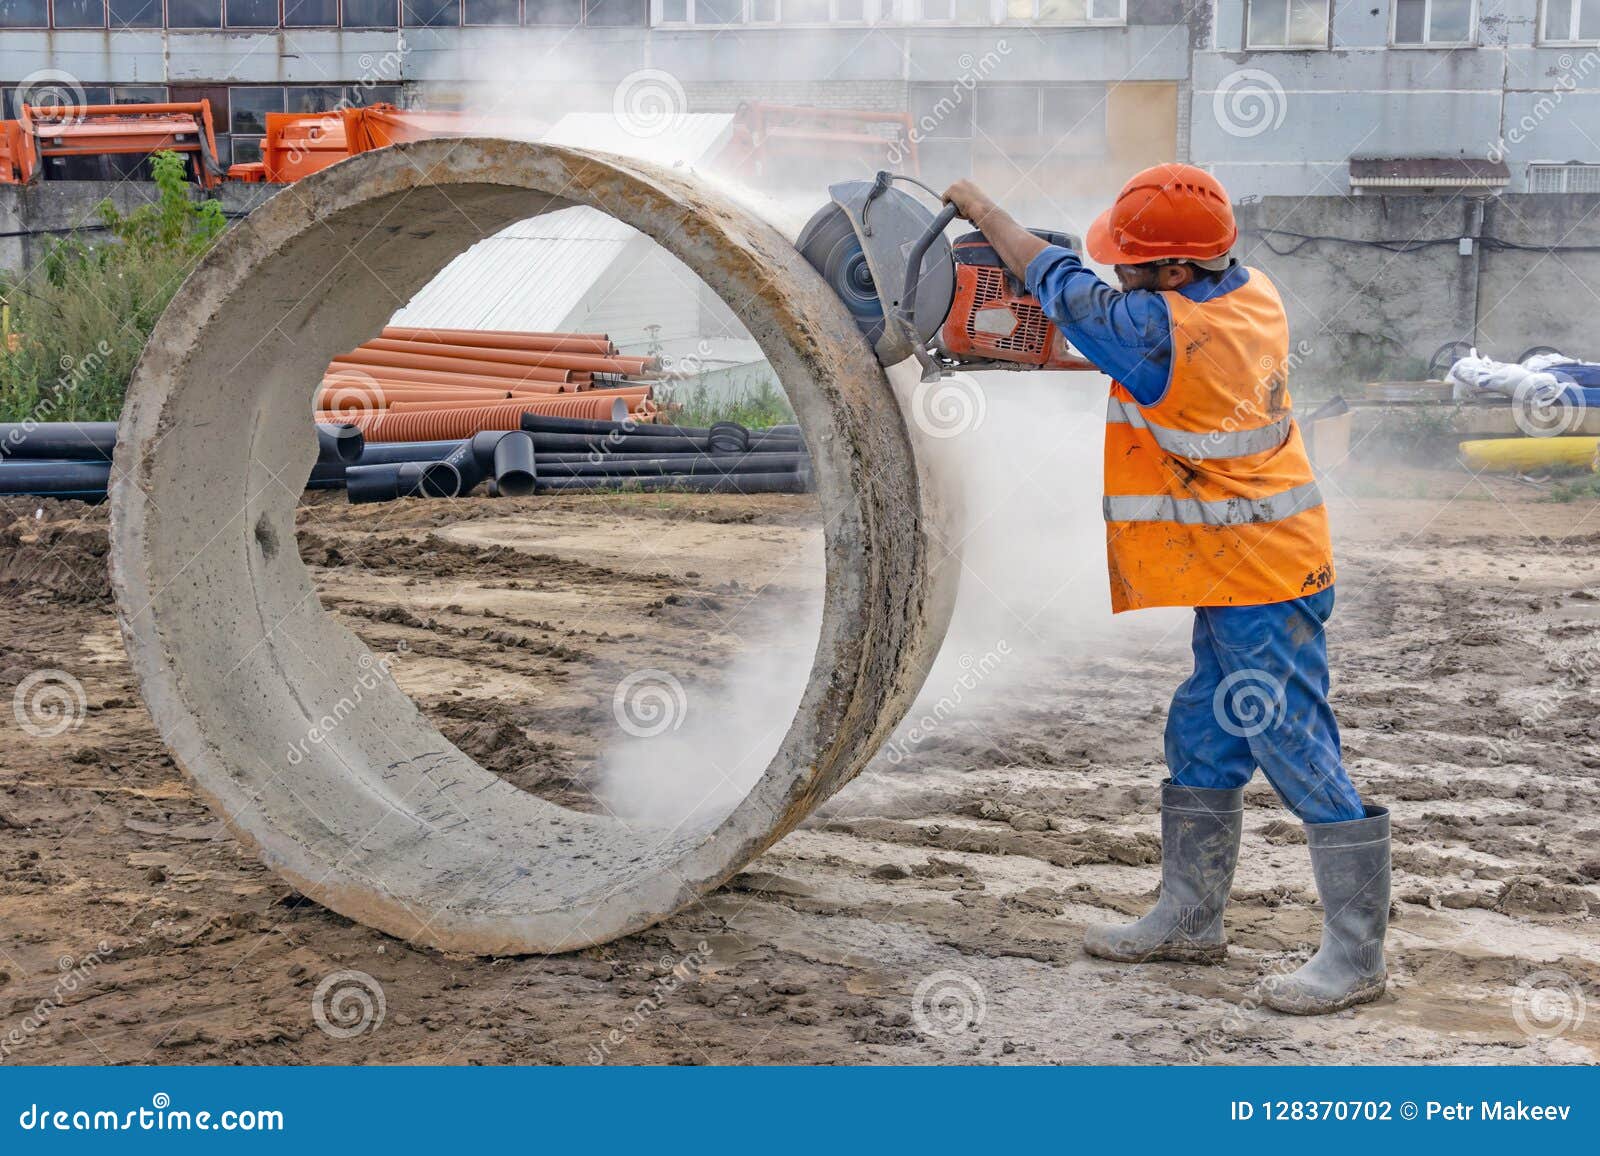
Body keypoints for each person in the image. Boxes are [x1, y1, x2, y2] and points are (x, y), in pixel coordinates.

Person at [941, 164, 1389, 1015]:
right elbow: (1105, 318)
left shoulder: (1160, 333)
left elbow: (1067, 293)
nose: (1118, 273)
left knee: (1291, 741)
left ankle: (1356, 957)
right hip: (1240, 565)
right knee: (1203, 729)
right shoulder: (1247, 288)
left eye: (1133, 265)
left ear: (1176, 274)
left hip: (1259, 573)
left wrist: (984, 210)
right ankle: (1189, 919)